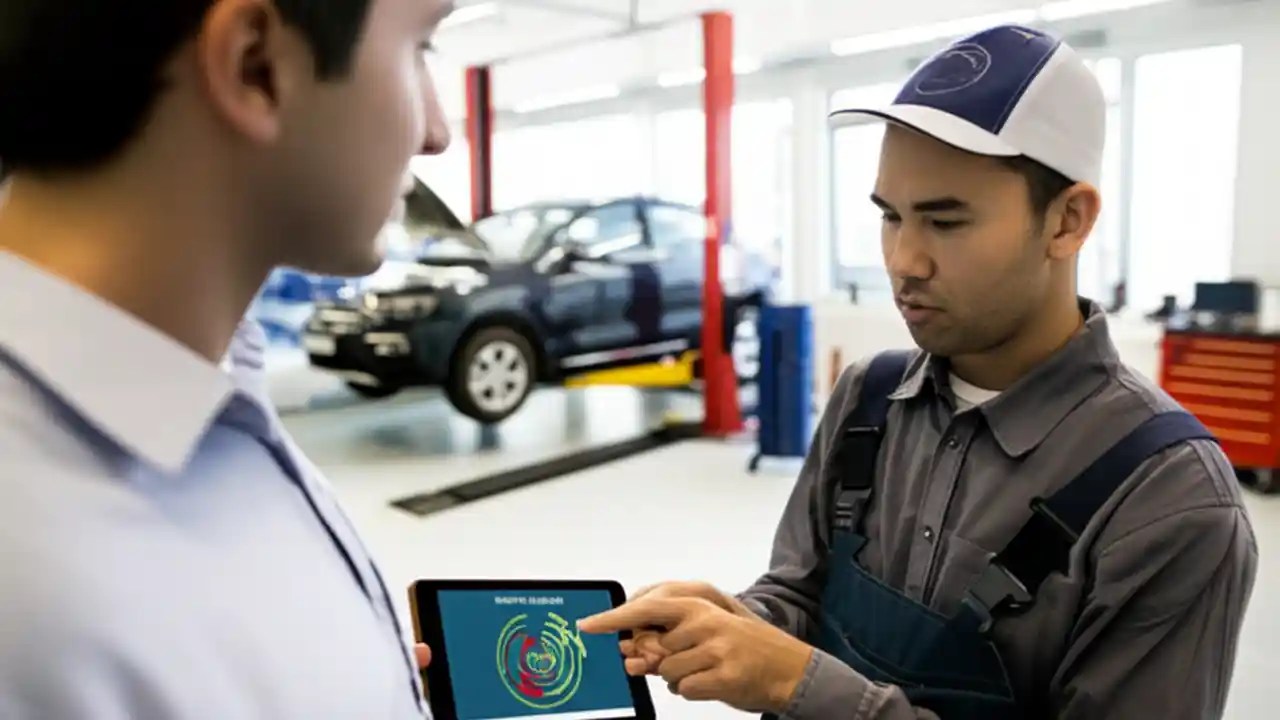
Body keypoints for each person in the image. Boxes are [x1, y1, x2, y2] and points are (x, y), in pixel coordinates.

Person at [578, 25, 1258, 720]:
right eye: (890, 216)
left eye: (945, 222)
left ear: (1067, 221)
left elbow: (807, 680)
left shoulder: (1170, 502)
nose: (904, 261)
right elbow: (802, 594)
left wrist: (802, 686)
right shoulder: (869, 400)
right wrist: (737, 622)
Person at [0, 0, 452, 717]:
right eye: (420, 46)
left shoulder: (214, 401)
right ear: (256, 65)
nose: (438, 131)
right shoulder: (31, 593)